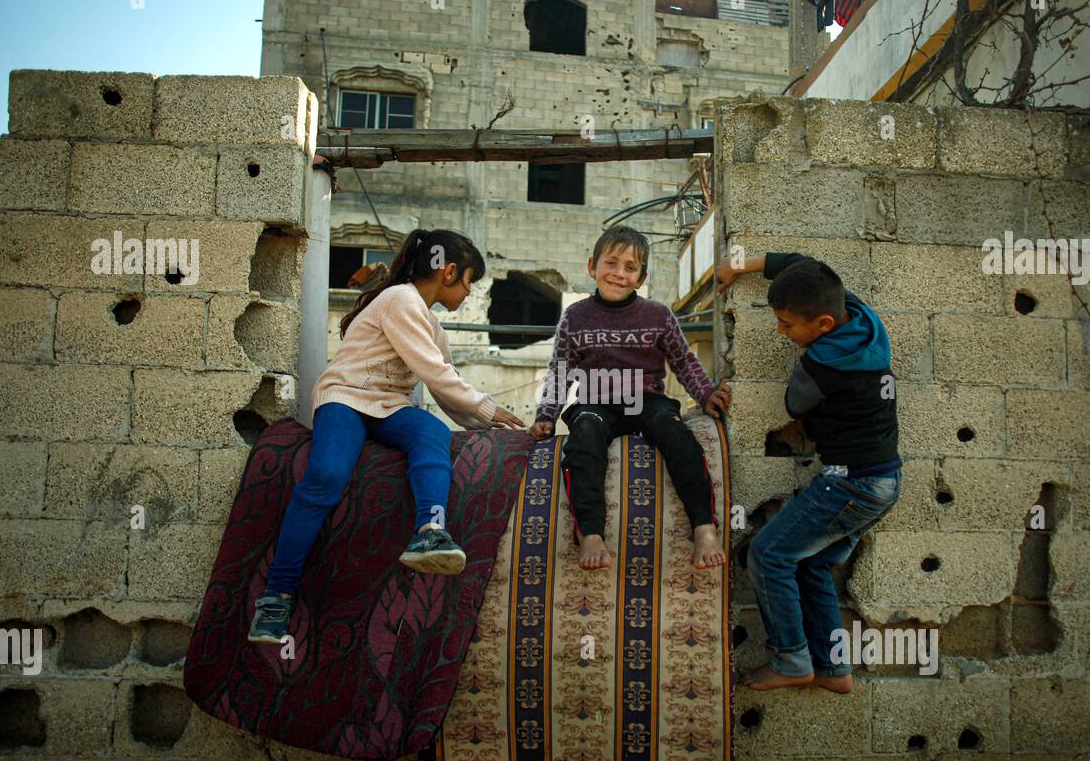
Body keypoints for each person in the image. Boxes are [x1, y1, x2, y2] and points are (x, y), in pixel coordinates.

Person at [248, 229, 525, 644]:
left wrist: (484, 427)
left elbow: (443, 388)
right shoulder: (400, 301)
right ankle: (276, 595)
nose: (469, 292)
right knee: (325, 477)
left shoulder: (431, 325)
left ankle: (430, 531)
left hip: (389, 407)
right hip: (346, 398)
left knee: (430, 429)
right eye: (470, 280)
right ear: (449, 272)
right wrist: (489, 408)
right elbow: (438, 375)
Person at [716, 251, 901, 692]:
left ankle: (791, 661)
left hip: (849, 483)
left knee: (768, 555)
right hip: (883, 480)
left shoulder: (822, 365)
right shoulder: (861, 317)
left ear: (822, 325)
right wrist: (742, 265)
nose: (781, 332)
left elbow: (793, 405)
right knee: (812, 565)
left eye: (786, 325)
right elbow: (807, 265)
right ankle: (835, 670)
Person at [530, 225, 732, 571]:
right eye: (611, 263)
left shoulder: (658, 315)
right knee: (583, 437)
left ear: (642, 277)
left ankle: (704, 527)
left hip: (647, 401)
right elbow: (560, 370)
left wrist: (706, 393)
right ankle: (590, 533)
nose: (619, 274)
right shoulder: (575, 317)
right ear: (592, 266)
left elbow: (683, 361)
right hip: (595, 402)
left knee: (678, 434)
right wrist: (546, 413)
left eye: (630, 268)